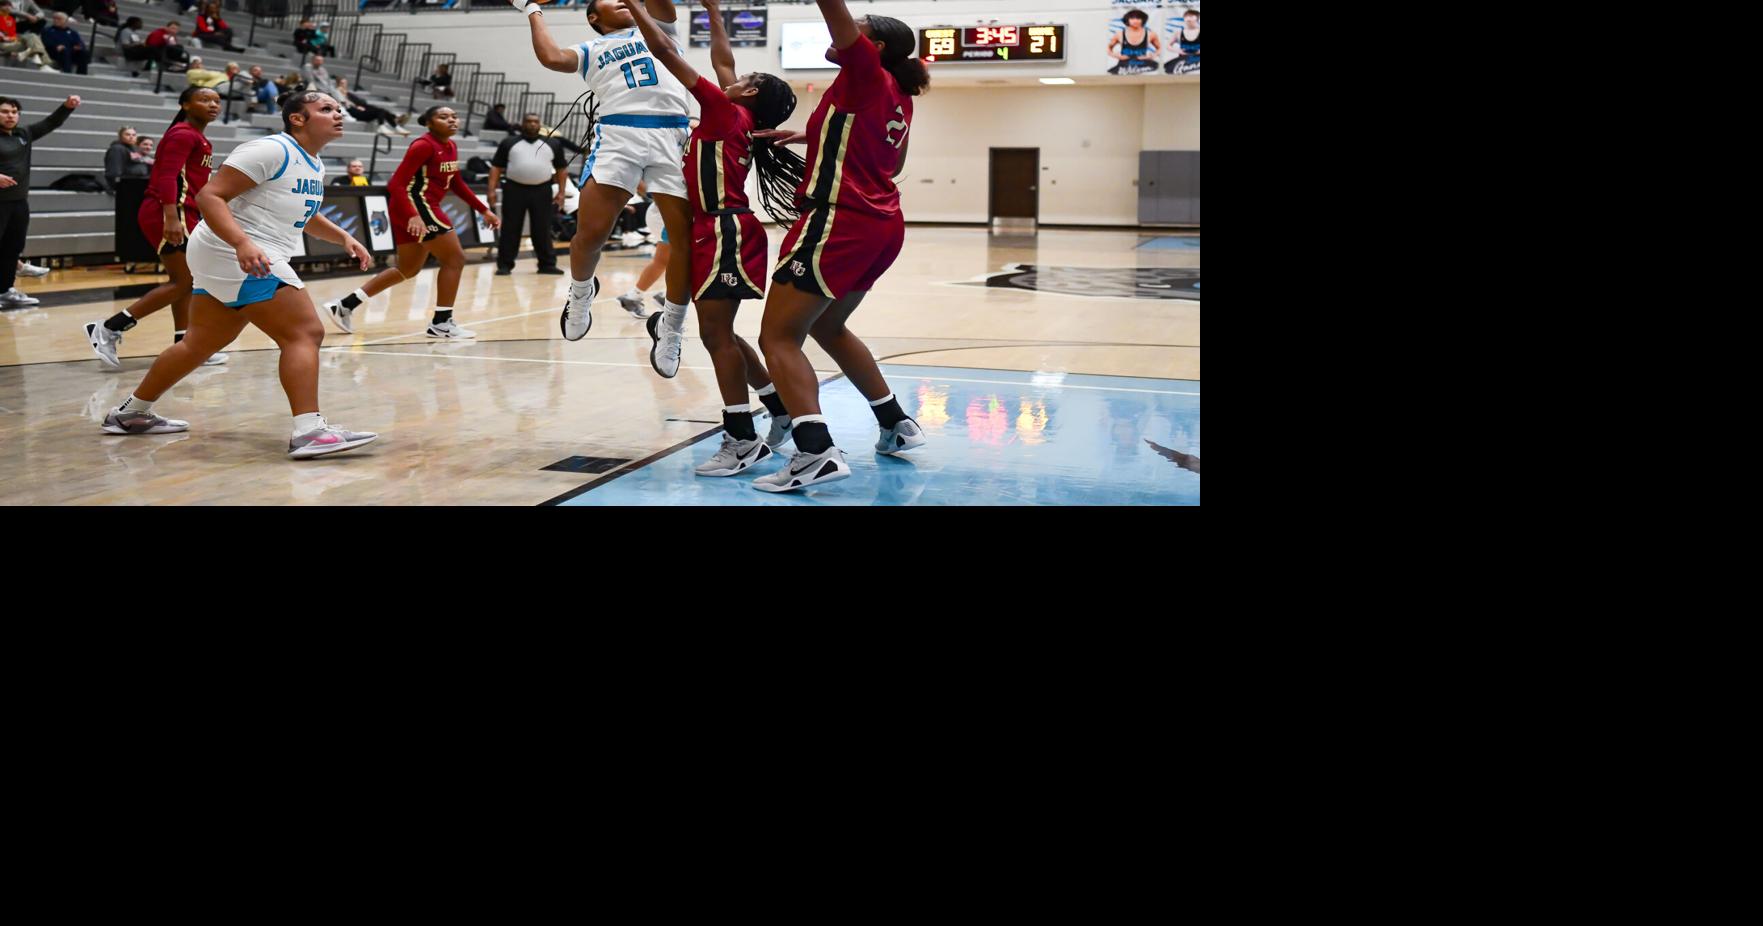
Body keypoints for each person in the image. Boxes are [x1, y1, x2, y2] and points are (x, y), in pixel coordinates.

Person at [101, 91, 380, 458]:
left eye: (338, 109)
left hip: (232, 251)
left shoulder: (313, 163)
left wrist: (343, 237)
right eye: (326, 109)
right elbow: (209, 197)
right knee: (305, 332)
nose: (338, 114)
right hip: (234, 249)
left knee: (200, 343)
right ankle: (309, 431)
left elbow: (306, 215)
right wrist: (241, 243)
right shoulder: (270, 149)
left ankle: (130, 413)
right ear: (297, 118)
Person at [748, 0, 931, 492]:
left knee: (778, 337)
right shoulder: (896, 93)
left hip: (838, 221)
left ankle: (815, 452)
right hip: (882, 223)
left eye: (856, 29)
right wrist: (813, 137)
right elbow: (890, 162)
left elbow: (834, 10)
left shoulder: (865, 71)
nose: (840, 33)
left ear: (875, 47)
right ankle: (895, 422)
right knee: (829, 326)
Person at [626, 0, 805, 473]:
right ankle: (777, 407)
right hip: (718, 229)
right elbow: (724, 60)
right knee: (722, 332)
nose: (733, 76)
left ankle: (742, 439)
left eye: (745, 79)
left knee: (715, 335)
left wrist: (634, 6)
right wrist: (713, 11)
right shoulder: (737, 112)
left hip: (725, 229)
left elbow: (665, 51)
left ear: (750, 93)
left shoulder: (725, 112)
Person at [510, 0, 696, 377]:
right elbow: (551, 57)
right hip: (618, 134)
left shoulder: (659, 29)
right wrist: (531, 9)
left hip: (672, 134)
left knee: (683, 243)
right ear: (594, 17)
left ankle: (672, 326)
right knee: (590, 234)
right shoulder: (590, 49)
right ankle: (581, 293)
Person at [320, 106, 499, 338]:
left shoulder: (451, 146)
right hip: (417, 207)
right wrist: (413, 215)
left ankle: (344, 306)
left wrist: (483, 210)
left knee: (408, 268)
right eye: (443, 117)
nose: (452, 120)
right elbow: (396, 184)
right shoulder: (423, 145)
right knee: (455, 259)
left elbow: (457, 183)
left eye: (454, 116)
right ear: (429, 123)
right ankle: (441, 323)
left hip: (414, 209)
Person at [85, 88, 230, 369]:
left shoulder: (197, 137)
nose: (213, 104)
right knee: (183, 282)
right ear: (185, 104)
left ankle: (185, 345)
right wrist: (171, 216)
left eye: (216, 101)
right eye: (204, 100)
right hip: (170, 211)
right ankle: (108, 328)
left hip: (184, 212)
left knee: (188, 281)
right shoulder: (182, 134)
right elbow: (166, 176)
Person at [0, 94, 79, 310]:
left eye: (14, 112)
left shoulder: (23, 134)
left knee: (12, 248)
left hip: (18, 202)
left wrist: (66, 107)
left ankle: (5, 290)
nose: (10, 116)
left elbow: (50, 123)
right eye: (5, 111)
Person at [488, 112, 566, 275]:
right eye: (529, 121)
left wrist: (561, 192)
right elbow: (496, 167)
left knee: (542, 227)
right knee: (510, 228)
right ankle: (505, 265)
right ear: (522, 124)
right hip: (514, 189)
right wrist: (491, 190)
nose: (532, 124)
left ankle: (547, 264)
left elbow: (561, 169)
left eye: (535, 121)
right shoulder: (509, 142)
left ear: (540, 124)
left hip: (542, 190)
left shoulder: (552, 143)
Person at [334, 77, 409, 136]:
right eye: (342, 83)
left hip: (362, 111)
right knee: (381, 111)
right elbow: (344, 103)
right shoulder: (338, 93)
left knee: (381, 111)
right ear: (338, 84)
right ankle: (393, 122)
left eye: (345, 83)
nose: (344, 85)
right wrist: (355, 105)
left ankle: (395, 126)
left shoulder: (349, 94)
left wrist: (353, 100)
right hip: (355, 113)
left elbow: (360, 102)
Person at [1, 2, 53, 71]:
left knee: (32, 36)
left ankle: (44, 65)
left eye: (9, 6)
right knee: (33, 42)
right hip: (3, 45)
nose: (8, 8)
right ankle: (32, 54)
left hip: (12, 43)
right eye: (5, 6)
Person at [1107, 9, 1158, 75]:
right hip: (1124, 66)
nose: (1135, 21)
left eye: (1138, 18)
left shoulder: (1151, 34)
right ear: (1127, 20)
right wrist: (1116, 55)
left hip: (1145, 65)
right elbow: (1108, 48)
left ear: (1143, 20)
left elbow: (1159, 48)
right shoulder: (1119, 34)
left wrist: (1152, 56)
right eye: (1132, 18)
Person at [103, 125, 152, 193]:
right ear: (120, 136)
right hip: (126, 187)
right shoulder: (117, 149)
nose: (131, 137)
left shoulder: (131, 149)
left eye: (134, 135)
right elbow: (114, 171)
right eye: (127, 134)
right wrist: (117, 188)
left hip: (135, 185)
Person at [41, 10, 88, 74]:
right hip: (54, 51)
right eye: (54, 18)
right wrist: (56, 47)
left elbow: (79, 43)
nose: (56, 20)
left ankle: (81, 75)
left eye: (59, 19)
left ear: (66, 21)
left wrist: (79, 46)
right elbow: (46, 42)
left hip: (70, 51)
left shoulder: (72, 32)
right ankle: (66, 73)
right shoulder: (47, 30)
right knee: (64, 51)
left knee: (83, 53)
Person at [1164, 8, 1199, 75]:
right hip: (1184, 61)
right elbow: (1168, 45)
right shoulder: (1178, 33)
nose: (1188, 18)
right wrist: (1178, 50)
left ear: (1197, 18)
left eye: (1191, 16)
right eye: (1186, 16)